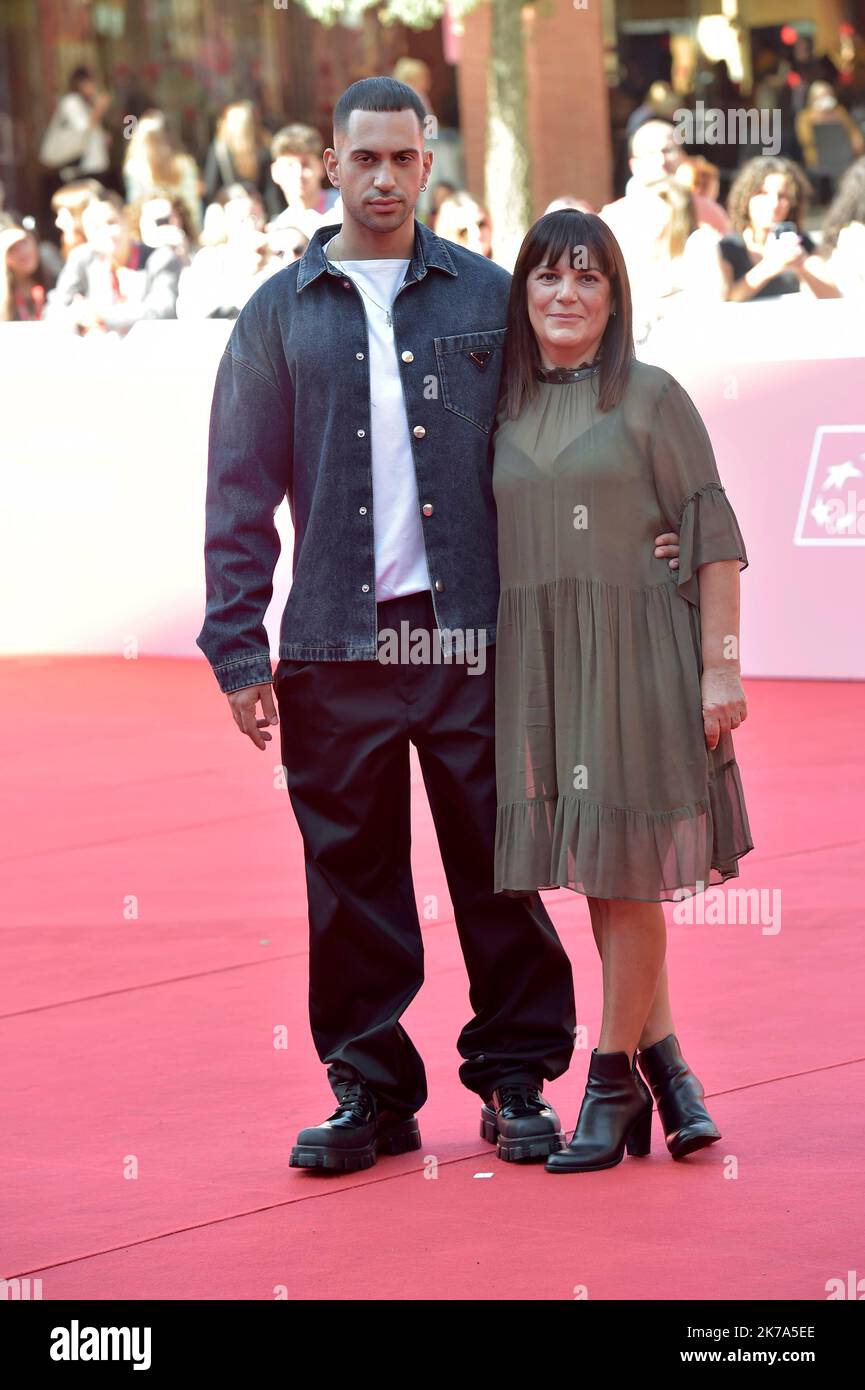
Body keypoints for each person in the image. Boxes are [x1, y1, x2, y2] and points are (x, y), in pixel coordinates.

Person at [194, 77, 684, 1173]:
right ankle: (369, 1092)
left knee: (500, 866)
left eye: (400, 158)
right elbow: (238, 488)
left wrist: (646, 527)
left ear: (427, 164)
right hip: (332, 644)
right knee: (350, 880)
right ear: (331, 164)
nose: (379, 177)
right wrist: (237, 644)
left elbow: (570, 414)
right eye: (359, 158)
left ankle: (516, 1080)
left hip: (471, 635)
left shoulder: (480, 295)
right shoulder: (278, 311)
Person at [491, 209, 754, 1174]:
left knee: (628, 870)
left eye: (586, 279)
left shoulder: (650, 397)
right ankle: (670, 1071)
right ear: (521, 294)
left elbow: (712, 538)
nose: (565, 296)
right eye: (547, 279)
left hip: (640, 651)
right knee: (601, 872)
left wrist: (717, 664)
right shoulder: (502, 401)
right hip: (544, 660)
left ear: (615, 296)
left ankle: (608, 1082)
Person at [44, 188, 184, 334]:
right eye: (96, 227)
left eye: (111, 222)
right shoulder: (82, 258)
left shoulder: (160, 258)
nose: (106, 232)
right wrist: (74, 315)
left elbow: (161, 311)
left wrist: (99, 315)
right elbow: (54, 308)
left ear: (126, 220)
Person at [719, 156, 840, 300]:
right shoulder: (729, 246)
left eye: (783, 196)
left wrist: (801, 264)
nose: (774, 203)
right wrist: (771, 266)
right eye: (763, 193)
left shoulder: (800, 243)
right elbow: (727, 300)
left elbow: (832, 296)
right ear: (746, 197)